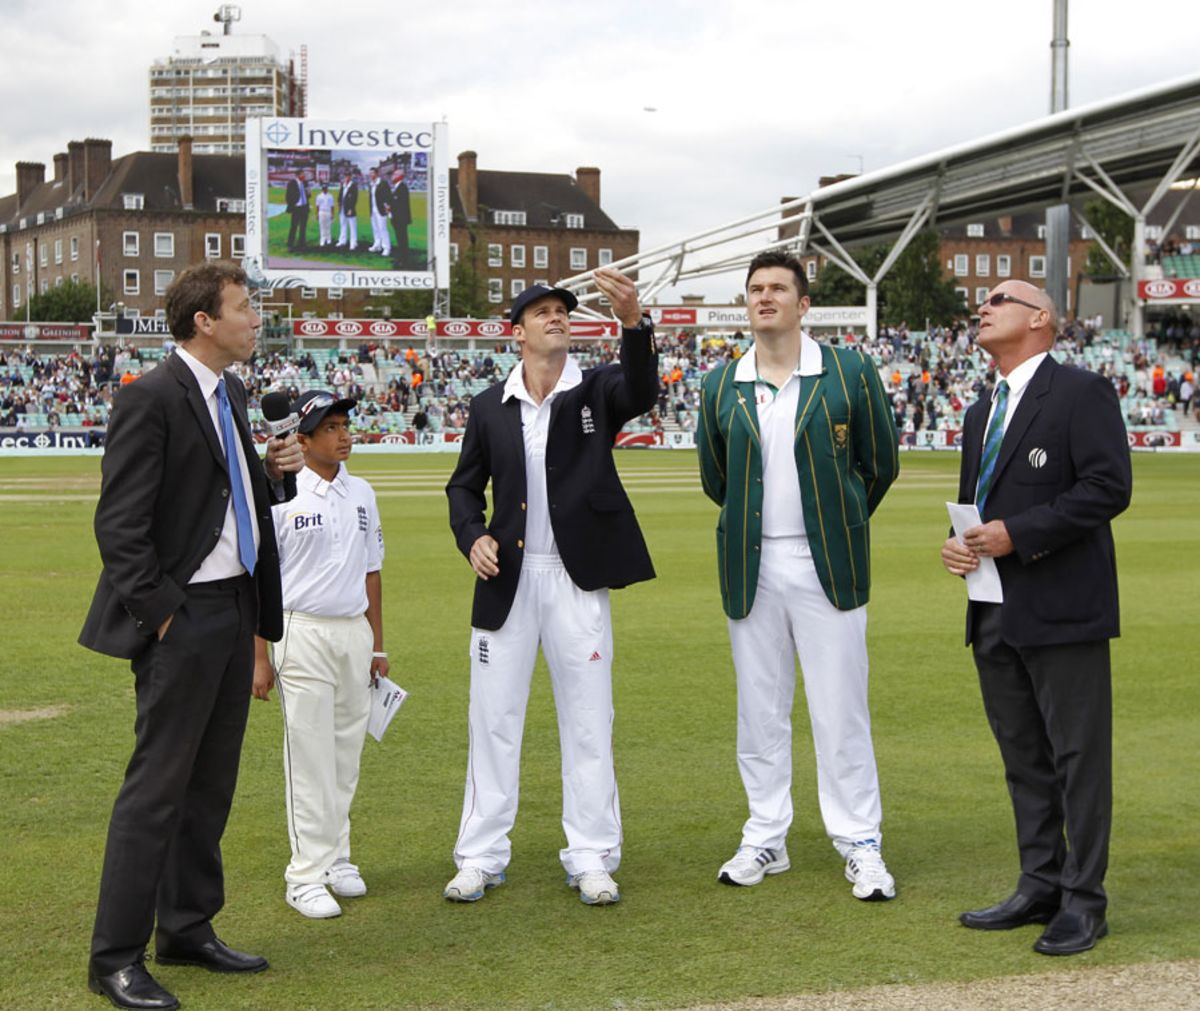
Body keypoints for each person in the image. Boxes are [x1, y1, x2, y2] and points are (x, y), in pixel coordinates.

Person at [79, 261, 304, 1010]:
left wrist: (276, 474)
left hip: (234, 607)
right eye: (243, 307)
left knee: (209, 785)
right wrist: (164, 614)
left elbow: (225, 498)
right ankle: (115, 955)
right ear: (203, 321)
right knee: (157, 790)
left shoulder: (230, 392)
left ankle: (186, 925)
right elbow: (120, 526)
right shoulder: (150, 397)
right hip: (184, 616)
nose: (254, 318)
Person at [443, 271, 656, 906]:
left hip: (575, 577)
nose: (556, 317)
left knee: (589, 721)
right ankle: (480, 856)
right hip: (507, 580)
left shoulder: (596, 390)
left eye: (562, 310)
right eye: (540, 312)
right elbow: (462, 487)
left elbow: (642, 389)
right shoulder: (489, 406)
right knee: (494, 720)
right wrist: (472, 535)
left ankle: (591, 855)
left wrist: (634, 324)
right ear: (518, 333)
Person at [697, 250, 900, 901]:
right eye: (755, 288)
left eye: (778, 287)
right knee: (759, 711)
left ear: (803, 302)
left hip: (826, 564)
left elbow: (879, 463)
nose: (764, 297)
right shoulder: (720, 382)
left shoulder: (846, 370)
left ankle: (859, 840)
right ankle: (766, 833)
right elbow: (716, 478)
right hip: (752, 564)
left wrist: (835, 523)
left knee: (840, 706)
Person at [941, 281, 1132, 956]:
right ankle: (1040, 881)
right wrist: (963, 546)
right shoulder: (980, 412)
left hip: (1063, 607)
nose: (983, 307)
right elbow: (977, 509)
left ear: (1041, 318)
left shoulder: (1081, 391)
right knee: (1024, 757)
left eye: (1000, 298)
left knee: (1078, 758)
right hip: (994, 610)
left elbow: (1109, 487)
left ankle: (1086, 900)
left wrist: (1016, 533)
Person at [252, 390, 387, 920]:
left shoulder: (363, 493)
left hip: (352, 632)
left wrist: (378, 644)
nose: (344, 435)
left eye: (345, 425)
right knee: (309, 758)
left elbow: (372, 571)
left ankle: (336, 858)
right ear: (302, 440)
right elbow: (258, 578)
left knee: (344, 756)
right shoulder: (282, 497)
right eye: (330, 428)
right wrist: (259, 655)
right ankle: (304, 875)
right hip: (298, 631)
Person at [389, 168, 412, 269]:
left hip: (401, 219)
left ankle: (404, 260)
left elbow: (401, 205)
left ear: (400, 176)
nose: (392, 176)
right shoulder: (396, 187)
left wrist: (391, 207)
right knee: (400, 239)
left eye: (394, 174)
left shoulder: (402, 187)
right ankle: (401, 258)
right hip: (397, 218)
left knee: (402, 239)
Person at [367, 168, 392, 257]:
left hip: (381, 209)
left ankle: (386, 248)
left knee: (383, 229)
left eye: (372, 173)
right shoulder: (371, 184)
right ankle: (377, 245)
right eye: (369, 173)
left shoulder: (383, 183)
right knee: (375, 229)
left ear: (377, 174)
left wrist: (387, 207)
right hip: (373, 209)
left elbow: (388, 196)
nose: (370, 175)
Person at [286, 171, 309, 252]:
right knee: (294, 227)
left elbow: (307, 195)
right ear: (298, 175)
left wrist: (308, 192)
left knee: (303, 227)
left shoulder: (305, 183)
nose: (304, 176)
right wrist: (293, 205)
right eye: (302, 174)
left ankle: (302, 243)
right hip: (297, 208)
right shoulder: (292, 183)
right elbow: (288, 196)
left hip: (304, 207)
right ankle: (290, 245)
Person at [336, 170, 359, 251]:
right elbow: (340, 196)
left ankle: (353, 243)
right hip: (342, 208)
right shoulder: (343, 185)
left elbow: (354, 199)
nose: (346, 178)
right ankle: (342, 241)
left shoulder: (353, 186)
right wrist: (338, 203)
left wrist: (351, 209)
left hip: (350, 209)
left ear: (350, 177)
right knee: (343, 225)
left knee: (352, 226)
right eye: (345, 176)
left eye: (347, 176)